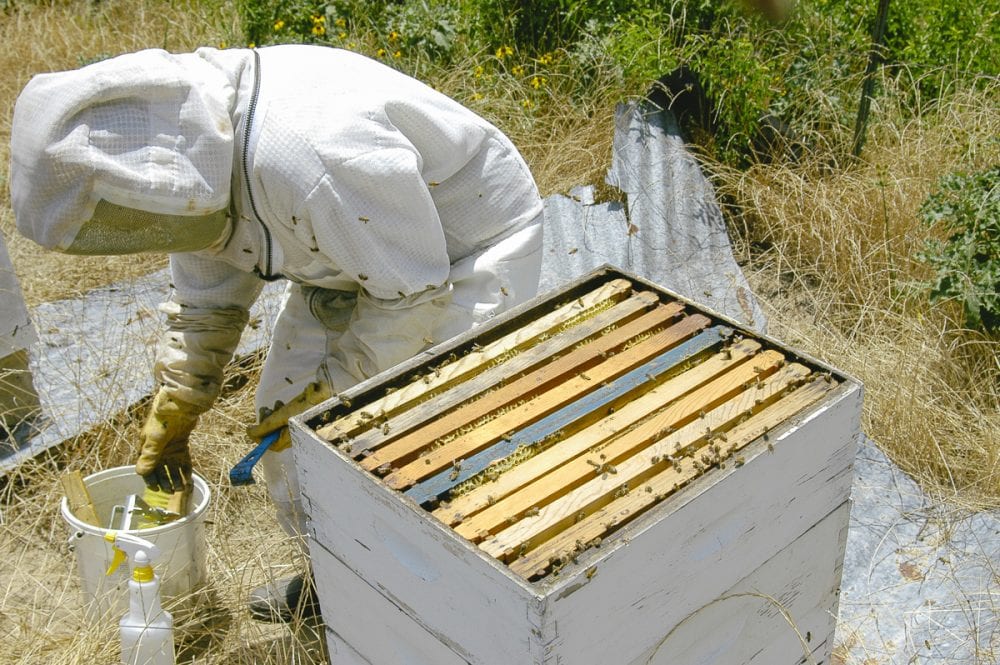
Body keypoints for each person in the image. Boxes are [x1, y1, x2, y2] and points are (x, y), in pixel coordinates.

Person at [9, 44, 544, 621]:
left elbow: (412, 295)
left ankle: (437, 606)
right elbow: (206, 291)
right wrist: (181, 398)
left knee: (410, 434)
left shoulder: (311, 155)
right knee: (285, 425)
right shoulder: (199, 162)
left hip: (462, 254)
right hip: (355, 261)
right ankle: (335, 580)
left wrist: (330, 396)